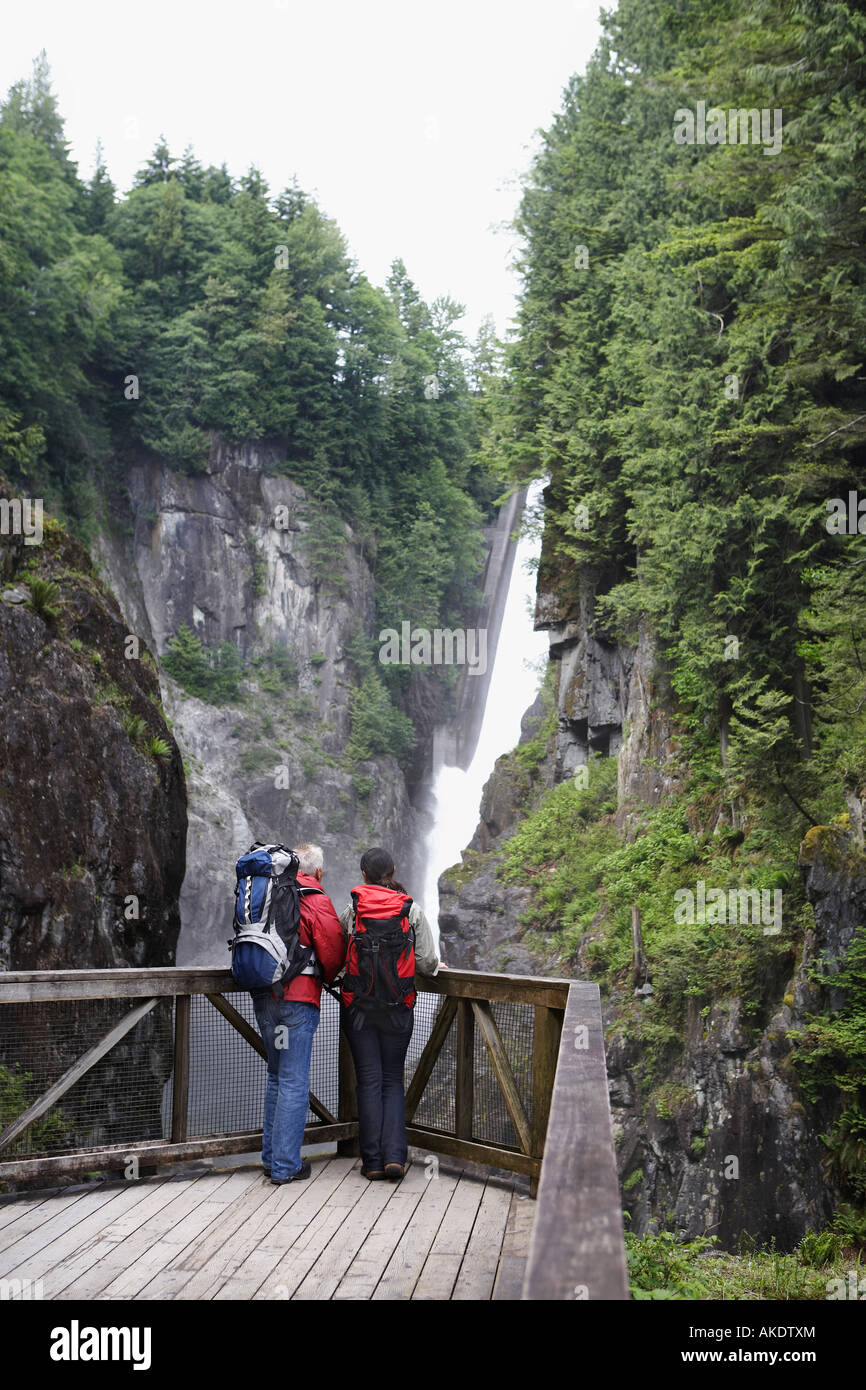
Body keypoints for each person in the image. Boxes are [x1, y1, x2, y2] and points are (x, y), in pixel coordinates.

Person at [339, 847, 445, 1182]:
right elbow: (427, 961)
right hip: (399, 1007)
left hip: (359, 1007)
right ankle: (395, 1158)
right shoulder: (410, 910)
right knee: (392, 1081)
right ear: (394, 870)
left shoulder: (351, 911)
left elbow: (339, 953)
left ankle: (370, 1161)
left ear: (363, 874)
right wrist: (432, 968)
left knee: (368, 1081)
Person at [250, 842, 345, 1185]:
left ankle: (271, 1159)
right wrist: (331, 977)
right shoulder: (315, 899)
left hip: (264, 997)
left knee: (276, 1077)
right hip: (297, 1002)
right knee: (293, 1081)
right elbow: (333, 950)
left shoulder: (271, 893)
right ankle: (286, 1166)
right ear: (317, 871)